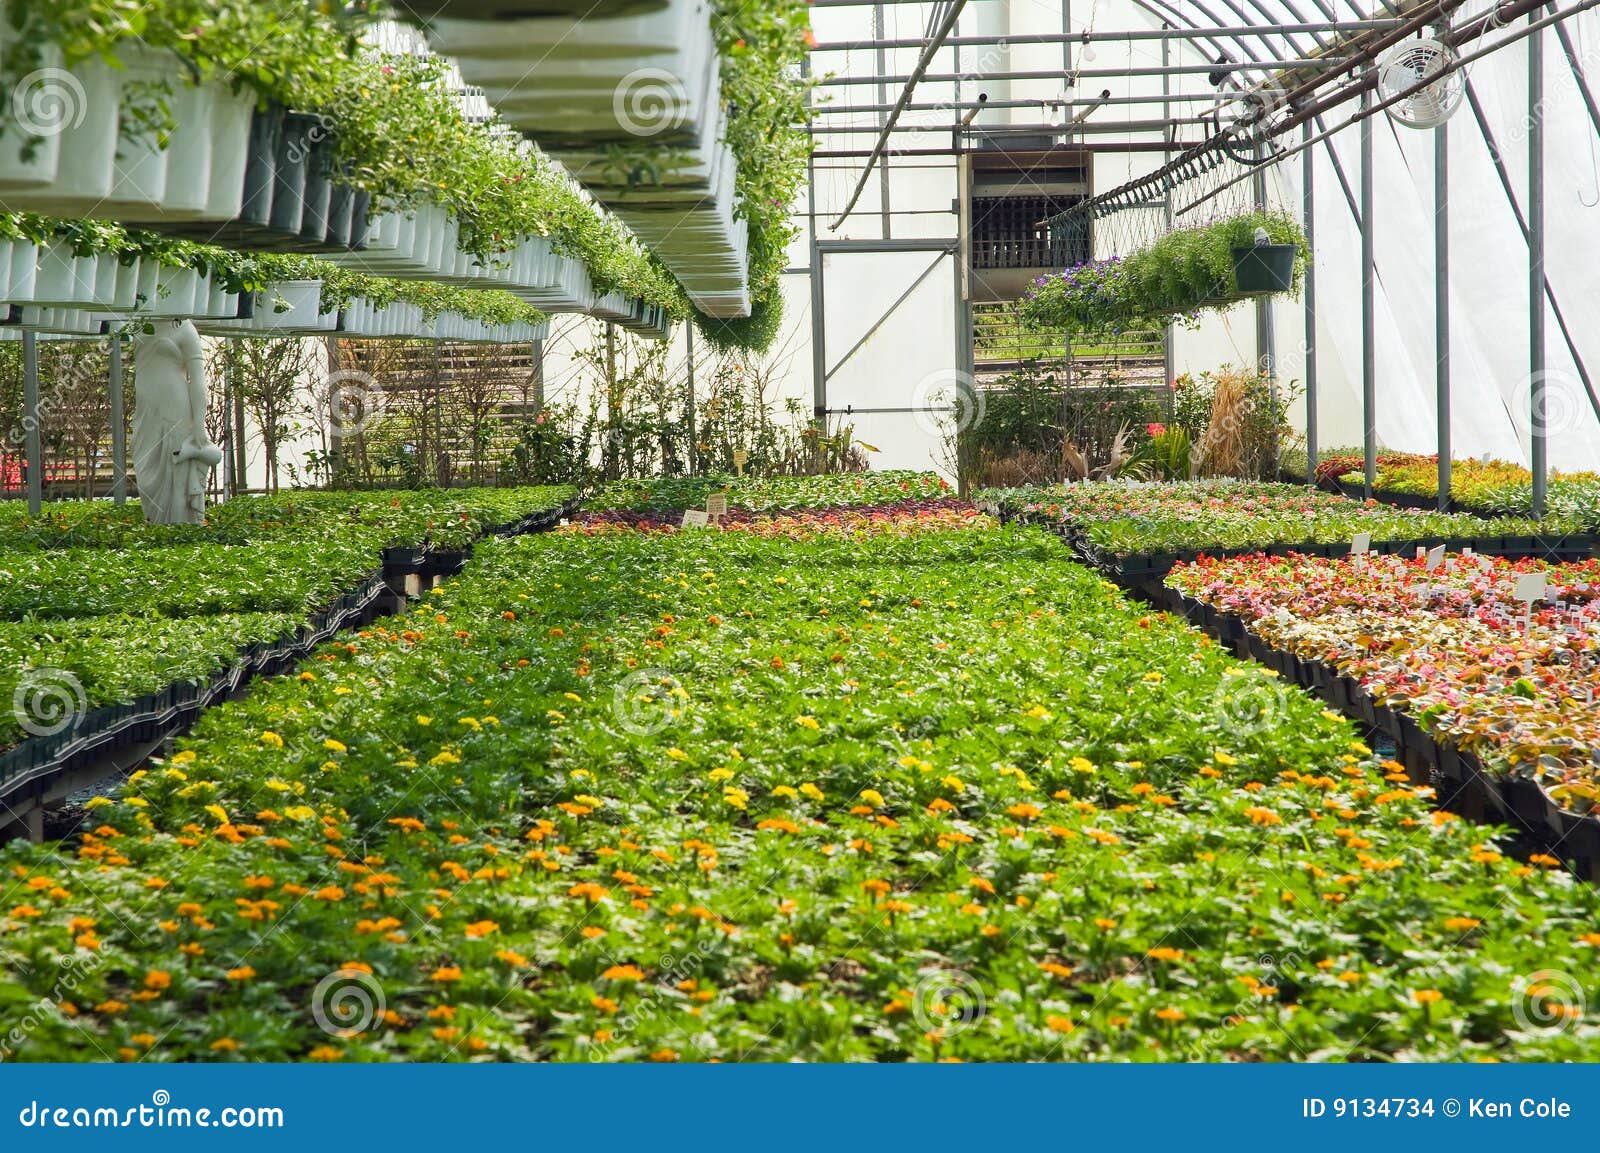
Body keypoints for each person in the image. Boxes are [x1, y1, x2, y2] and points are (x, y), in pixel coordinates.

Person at [130, 319, 223, 524]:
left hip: (174, 407)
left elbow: (198, 380)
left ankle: (180, 525)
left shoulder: (185, 328)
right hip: (146, 408)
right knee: (144, 470)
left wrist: (199, 425)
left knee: (176, 472)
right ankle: (157, 527)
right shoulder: (140, 322)